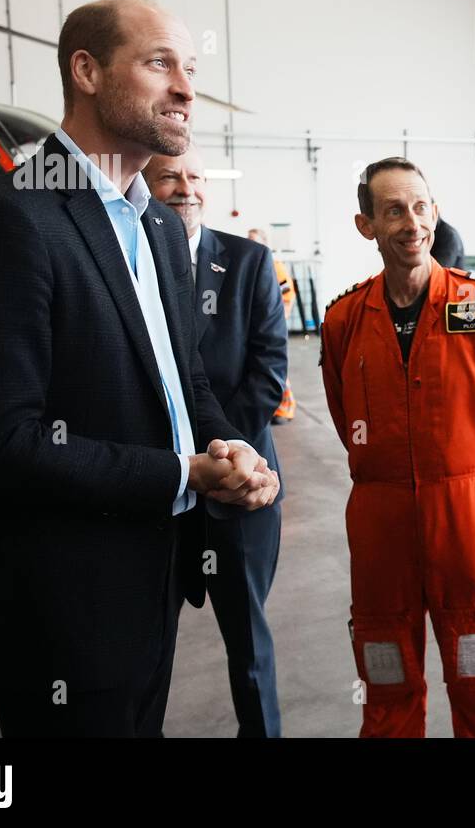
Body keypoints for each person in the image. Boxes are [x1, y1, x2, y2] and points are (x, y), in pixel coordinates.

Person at [0, 0, 279, 738]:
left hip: (153, 581)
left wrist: (227, 445)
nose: (186, 87)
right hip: (60, 607)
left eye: (190, 67)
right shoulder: (10, 219)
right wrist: (184, 476)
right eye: (160, 64)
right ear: (86, 71)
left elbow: (186, 384)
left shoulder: (154, 221)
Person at [320, 156, 475, 737]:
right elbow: (344, 412)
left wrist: (469, 474)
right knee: (386, 687)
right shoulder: (343, 320)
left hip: (466, 517)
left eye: (420, 207)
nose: (412, 223)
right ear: (367, 226)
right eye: (393, 211)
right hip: (380, 521)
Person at [145, 145, 288, 738]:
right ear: (142, 187)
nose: (185, 187)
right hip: (157, 483)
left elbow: (268, 373)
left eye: (194, 176)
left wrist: (223, 459)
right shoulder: (131, 262)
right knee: (144, 645)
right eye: (169, 177)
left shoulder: (250, 261)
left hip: (240, 481)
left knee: (247, 639)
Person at [247, 227, 296, 423]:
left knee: (276, 368)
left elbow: (287, 294)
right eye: (248, 239)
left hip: (272, 325)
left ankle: (285, 409)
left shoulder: (275, 266)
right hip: (255, 325)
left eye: (254, 240)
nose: (251, 243)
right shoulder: (249, 264)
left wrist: (276, 320)